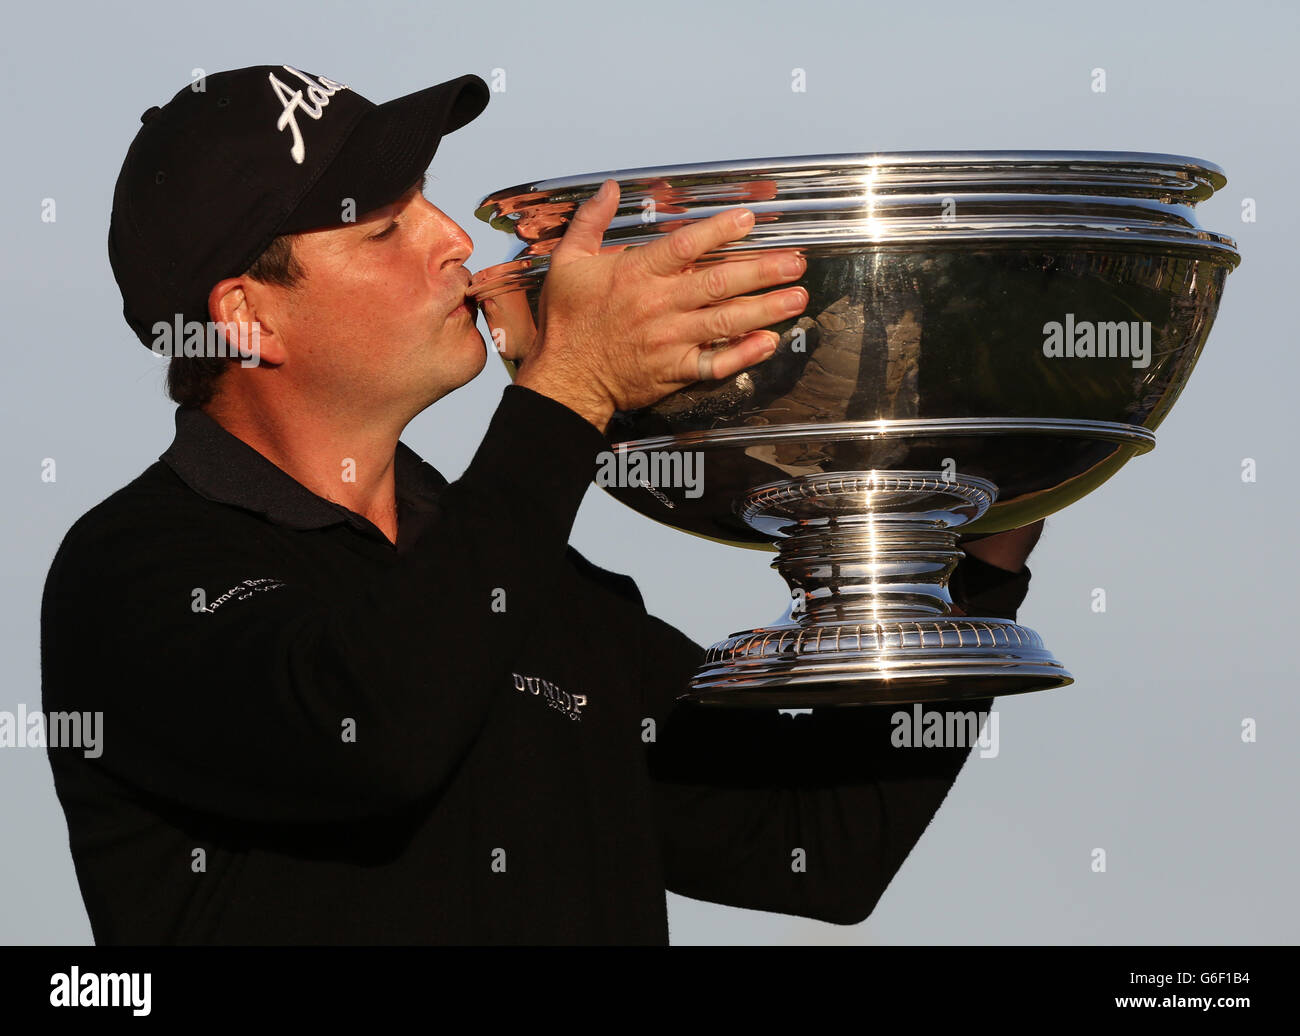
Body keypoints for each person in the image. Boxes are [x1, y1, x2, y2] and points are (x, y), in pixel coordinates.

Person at [40, 64, 1043, 944]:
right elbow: (372, 729)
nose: (446, 238)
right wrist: (569, 395)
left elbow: (813, 843)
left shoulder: (533, 583)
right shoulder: (134, 571)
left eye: (424, 200)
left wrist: (966, 558)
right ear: (246, 317)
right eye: (386, 226)